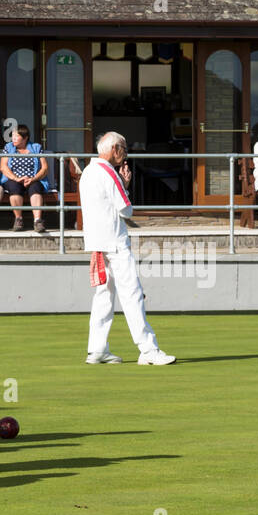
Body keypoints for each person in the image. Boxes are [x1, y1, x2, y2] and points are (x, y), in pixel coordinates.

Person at [81, 131, 175, 366]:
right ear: (115, 149)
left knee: (104, 295)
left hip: (97, 242)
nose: (125, 154)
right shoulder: (107, 172)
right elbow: (126, 209)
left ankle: (97, 349)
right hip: (114, 242)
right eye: (123, 148)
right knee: (132, 293)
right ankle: (148, 350)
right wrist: (125, 185)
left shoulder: (88, 171)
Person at [0, 124, 51, 233]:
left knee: (36, 188)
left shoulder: (36, 147)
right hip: (13, 178)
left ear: (25, 137)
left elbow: (45, 168)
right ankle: (18, 219)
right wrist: (16, 178)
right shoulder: (8, 147)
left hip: (33, 178)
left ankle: (37, 221)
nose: (13, 138)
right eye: (12, 136)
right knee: (14, 187)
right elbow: (3, 167)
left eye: (16, 136)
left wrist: (33, 178)